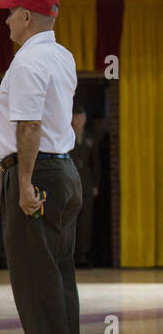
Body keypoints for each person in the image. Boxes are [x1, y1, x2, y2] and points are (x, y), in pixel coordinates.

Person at [0, 0, 82, 334]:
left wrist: (23, 183)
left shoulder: (27, 62)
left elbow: (29, 125)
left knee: (34, 276)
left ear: (27, 16)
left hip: (38, 173)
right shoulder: (62, 56)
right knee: (59, 273)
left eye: (11, 12)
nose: (7, 19)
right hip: (64, 171)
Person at [70, 103, 99, 268]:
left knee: (86, 222)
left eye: (82, 117)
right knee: (71, 220)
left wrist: (95, 184)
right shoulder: (66, 136)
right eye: (76, 117)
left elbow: (96, 163)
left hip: (86, 185)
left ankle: (83, 255)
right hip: (71, 184)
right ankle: (71, 255)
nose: (79, 120)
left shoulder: (90, 138)